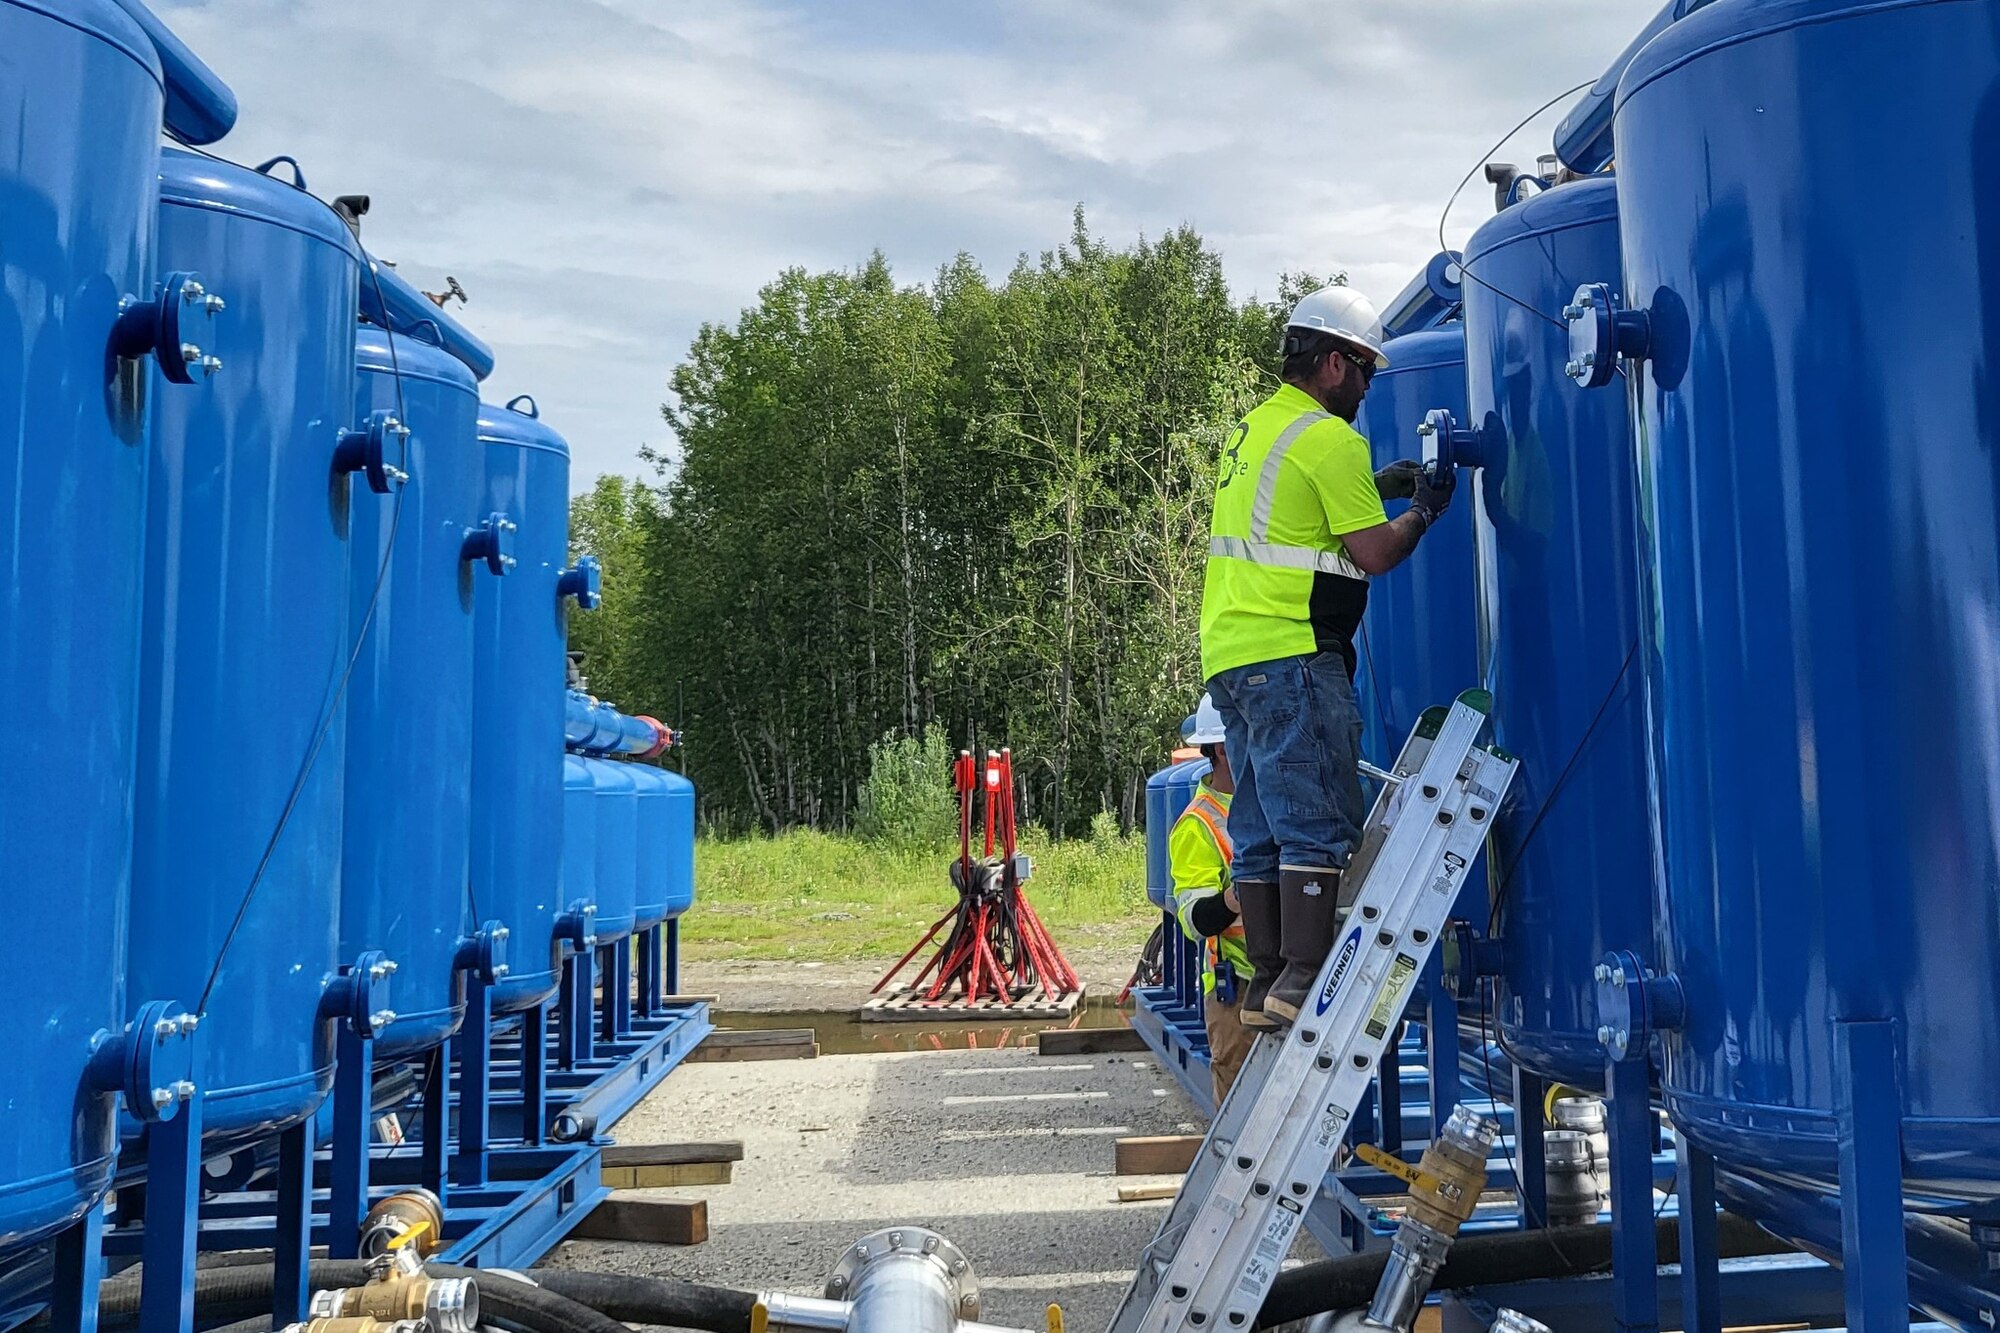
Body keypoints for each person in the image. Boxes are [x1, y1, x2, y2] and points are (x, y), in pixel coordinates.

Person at [1199, 283, 1456, 1028]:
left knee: (1260, 821)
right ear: (1336, 362)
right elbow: (1373, 552)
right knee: (1315, 810)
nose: (1368, 387)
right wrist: (1421, 511)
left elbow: (1292, 518)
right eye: (1366, 372)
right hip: (1294, 649)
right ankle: (1307, 975)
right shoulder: (1330, 438)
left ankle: (1268, 979)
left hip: (1234, 653)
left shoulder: (1255, 430)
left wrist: (1372, 487)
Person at [1168, 694, 1254, 1103]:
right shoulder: (1198, 824)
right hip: (1236, 993)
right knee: (1241, 1109)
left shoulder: (1272, 801)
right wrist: (1239, 895)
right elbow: (1197, 919)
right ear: (1222, 748)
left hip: (1288, 981)